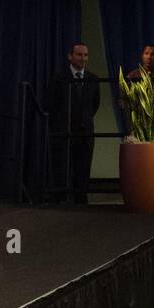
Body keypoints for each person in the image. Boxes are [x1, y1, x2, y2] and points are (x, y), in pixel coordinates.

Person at [47, 43, 102, 204]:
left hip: (85, 132)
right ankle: (61, 199)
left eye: (85, 55)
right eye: (79, 55)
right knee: (62, 167)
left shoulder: (93, 79)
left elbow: (94, 104)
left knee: (83, 168)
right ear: (70, 56)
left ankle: (81, 199)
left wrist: (83, 119)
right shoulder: (59, 78)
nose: (83, 58)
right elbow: (52, 103)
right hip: (64, 131)